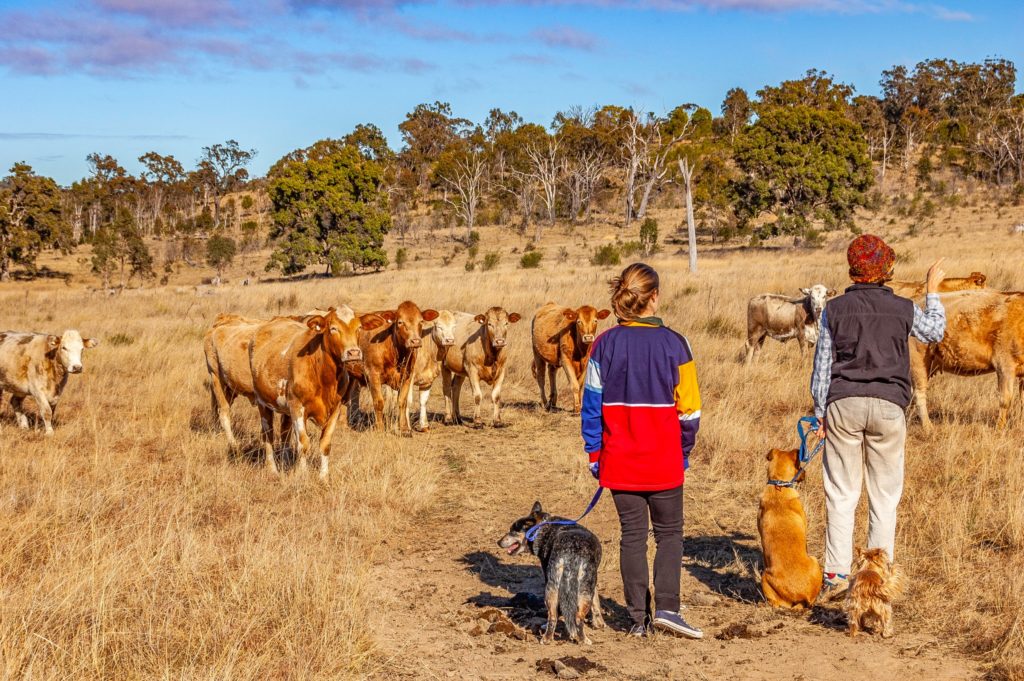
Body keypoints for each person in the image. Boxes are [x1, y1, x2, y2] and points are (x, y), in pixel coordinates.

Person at [811, 235, 946, 598]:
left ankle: (836, 577)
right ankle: (877, 576)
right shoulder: (903, 308)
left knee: (841, 493)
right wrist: (932, 291)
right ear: (887, 269)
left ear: (853, 270)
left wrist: (821, 413)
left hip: (843, 404)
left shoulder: (833, 310)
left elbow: (822, 368)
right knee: (884, 497)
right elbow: (934, 331)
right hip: (889, 407)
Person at [581, 262, 703, 639]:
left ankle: (638, 619)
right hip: (664, 460)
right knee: (670, 534)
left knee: (631, 535)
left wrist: (595, 454)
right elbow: (691, 410)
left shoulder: (605, 343)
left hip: (619, 461)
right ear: (654, 297)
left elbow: (591, 405)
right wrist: (682, 451)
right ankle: (667, 608)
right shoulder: (675, 343)